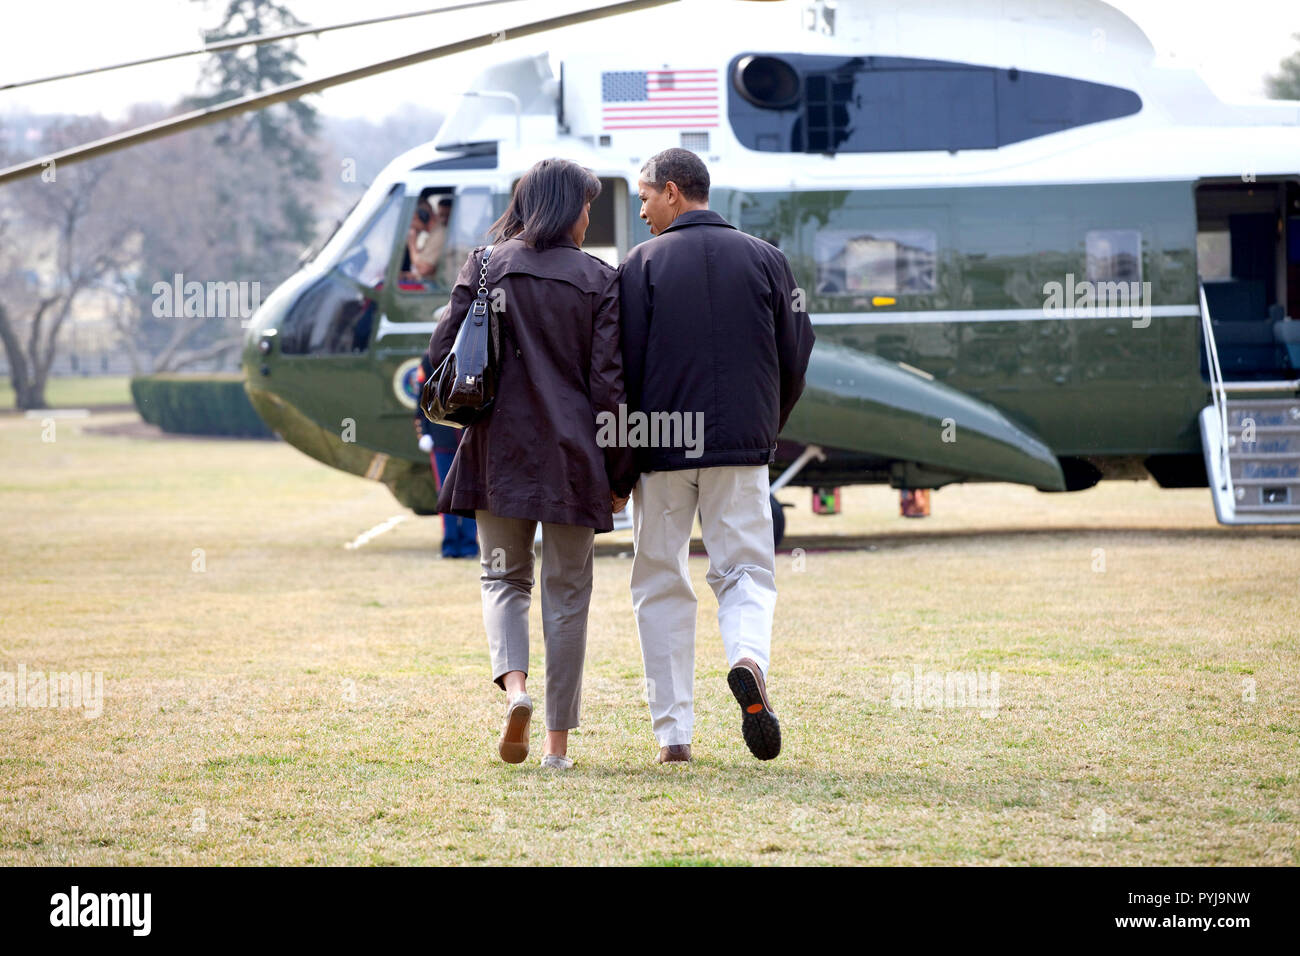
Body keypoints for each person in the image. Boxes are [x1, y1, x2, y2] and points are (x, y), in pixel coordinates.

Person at [425, 158, 638, 769]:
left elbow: (443, 353)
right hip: (574, 460)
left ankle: (514, 691)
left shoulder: (486, 265)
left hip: (498, 456)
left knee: (503, 580)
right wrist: (618, 474)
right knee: (567, 595)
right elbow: (610, 388)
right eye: (588, 205)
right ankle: (557, 749)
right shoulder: (601, 279)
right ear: (570, 208)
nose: (589, 215)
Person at [618, 148, 815, 764]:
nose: (643, 210)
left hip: (660, 449)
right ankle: (748, 660)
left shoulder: (640, 264)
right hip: (742, 445)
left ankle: (673, 736)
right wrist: (764, 426)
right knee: (747, 572)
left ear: (673, 192)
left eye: (646, 196)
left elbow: (620, 367)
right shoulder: (768, 260)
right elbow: (797, 352)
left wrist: (619, 461)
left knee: (660, 584)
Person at [413, 353, 478, 558]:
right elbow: (421, 399)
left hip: (471, 437)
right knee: (445, 492)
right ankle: (450, 543)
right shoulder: (430, 358)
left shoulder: (476, 353)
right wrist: (423, 432)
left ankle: (469, 544)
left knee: (471, 491)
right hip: (442, 438)